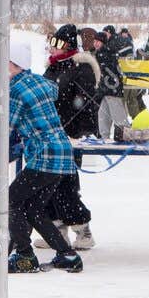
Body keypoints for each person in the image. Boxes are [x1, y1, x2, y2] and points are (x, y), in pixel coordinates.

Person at [7, 41, 83, 274]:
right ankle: (67, 255)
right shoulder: (39, 82)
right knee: (33, 209)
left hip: (44, 156)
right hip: (61, 154)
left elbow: (4, 128)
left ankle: (24, 256)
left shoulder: (16, 91)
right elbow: (53, 91)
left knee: (11, 201)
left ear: (12, 64)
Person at [45, 24, 100, 250]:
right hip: (49, 135)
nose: (52, 48)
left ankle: (82, 229)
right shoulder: (54, 67)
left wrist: (72, 132)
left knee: (64, 183)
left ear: (67, 44)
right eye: (51, 43)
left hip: (70, 136)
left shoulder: (82, 67)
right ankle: (58, 231)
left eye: (57, 43)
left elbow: (84, 105)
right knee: (48, 183)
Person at [90, 26, 130, 139]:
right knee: (102, 115)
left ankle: (126, 134)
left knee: (118, 115)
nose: (96, 44)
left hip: (113, 90)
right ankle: (104, 137)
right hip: (105, 91)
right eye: (94, 41)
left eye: (98, 41)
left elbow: (109, 75)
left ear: (103, 42)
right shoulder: (99, 54)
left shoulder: (106, 54)